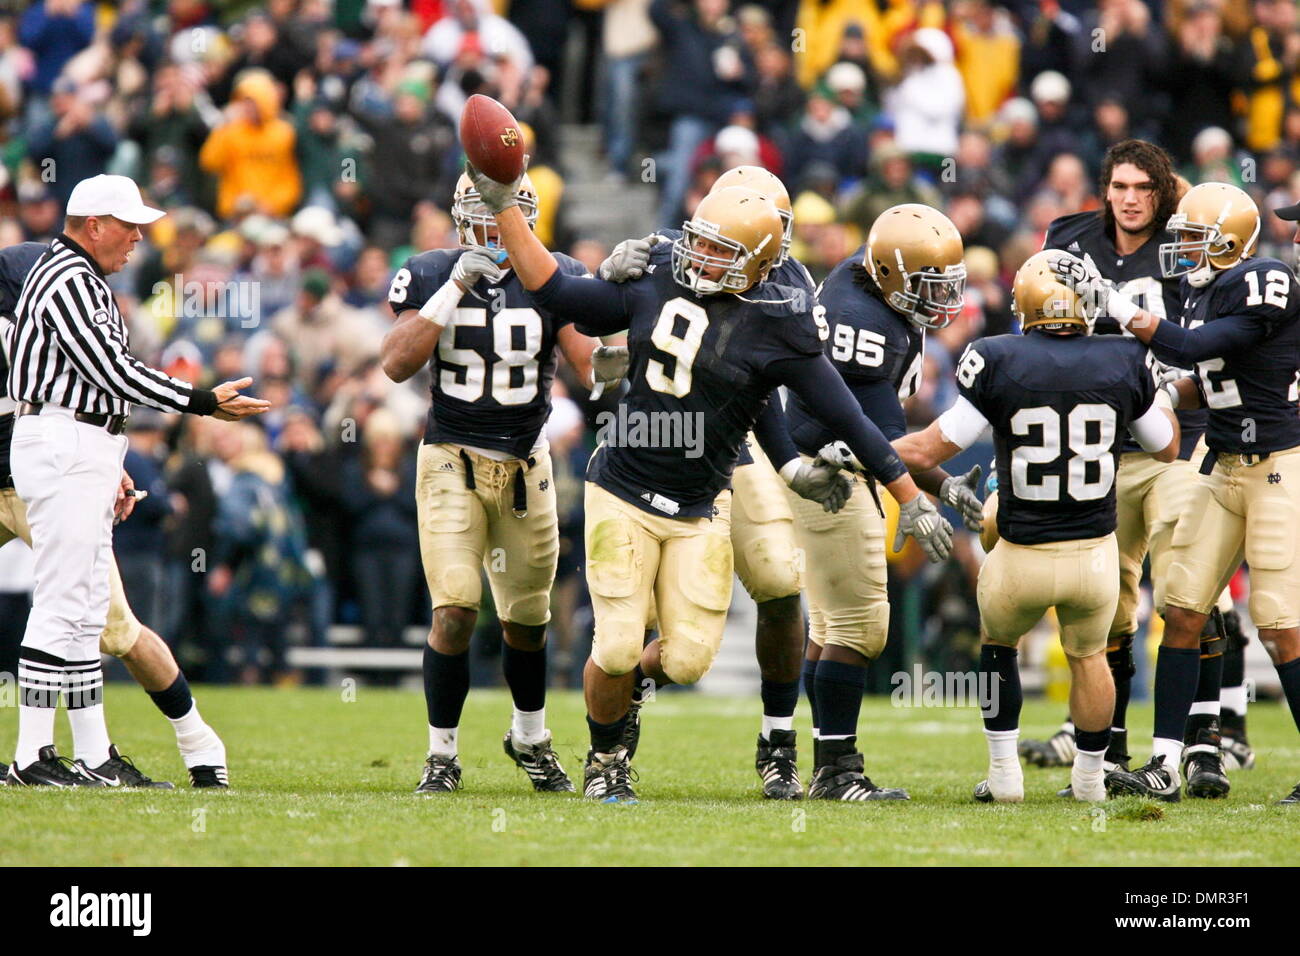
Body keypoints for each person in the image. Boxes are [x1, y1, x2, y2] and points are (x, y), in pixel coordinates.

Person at [468, 161, 954, 803]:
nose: (699, 255)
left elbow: (839, 413)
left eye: (721, 248)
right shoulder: (662, 267)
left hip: (707, 486)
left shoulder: (783, 308)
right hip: (626, 479)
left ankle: (765, 742)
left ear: (765, 251)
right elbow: (560, 293)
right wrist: (512, 209)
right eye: (699, 237)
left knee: (700, 648)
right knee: (615, 642)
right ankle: (605, 760)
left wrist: (903, 491)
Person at [596, 164, 858, 799]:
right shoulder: (679, 258)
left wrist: (793, 461)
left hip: (738, 449)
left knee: (776, 578)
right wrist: (609, 275)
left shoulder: (790, 283)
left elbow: (759, 383)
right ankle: (615, 718)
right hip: (664, 456)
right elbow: (613, 344)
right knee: (633, 626)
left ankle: (777, 741)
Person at [4, 175, 267, 788]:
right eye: (127, 225)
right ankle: (30, 757)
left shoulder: (72, 274)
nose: (138, 238)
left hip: (82, 440)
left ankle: (92, 756)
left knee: (85, 605)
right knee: (62, 602)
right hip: (65, 439)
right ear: (92, 224)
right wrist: (202, 400)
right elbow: (112, 370)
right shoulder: (68, 278)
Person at [892, 250, 1179, 803]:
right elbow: (1166, 446)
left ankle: (1005, 778)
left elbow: (931, 446)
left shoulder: (997, 357)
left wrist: (864, 452)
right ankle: (1091, 781)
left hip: (1021, 552)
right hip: (1095, 552)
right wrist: (1160, 391)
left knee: (998, 644)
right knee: (1089, 658)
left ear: (1024, 302)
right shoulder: (1123, 357)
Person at [1053, 182, 1300, 805]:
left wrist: (1116, 305)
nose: (1182, 250)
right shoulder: (1203, 292)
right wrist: (1165, 394)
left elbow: (1196, 348)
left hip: (1279, 465)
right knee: (1183, 607)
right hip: (1221, 463)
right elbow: (1206, 376)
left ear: (1232, 245)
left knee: (1279, 624)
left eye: (1196, 239)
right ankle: (1165, 761)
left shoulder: (1264, 278)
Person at [1023, 140, 1248, 795]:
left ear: (1160, 192)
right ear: (1105, 187)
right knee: (1106, 604)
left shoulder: (1188, 241)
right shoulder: (1067, 238)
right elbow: (1036, 312)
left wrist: (1162, 389)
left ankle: (1202, 742)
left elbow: (1210, 344)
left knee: (1186, 586)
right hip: (1098, 442)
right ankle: (1108, 749)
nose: (1128, 198)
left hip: (1180, 435)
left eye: (1142, 188)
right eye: (1119, 185)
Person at [381, 170, 608, 795]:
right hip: (450, 454)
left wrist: (619, 309)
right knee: (454, 608)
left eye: (505, 208)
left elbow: (591, 371)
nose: (492, 219)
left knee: (527, 620)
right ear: (459, 215)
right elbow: (397, 362)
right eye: (481, 207)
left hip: (526, 462)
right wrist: (455, 285)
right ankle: (441, 755)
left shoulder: (552, 272)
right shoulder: (429, 269)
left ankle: (529, 736)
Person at [786, 205, 985, 800]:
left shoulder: (868, 280)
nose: (942, 299)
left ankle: (826, 763)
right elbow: (878, 440)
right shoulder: (863, 321)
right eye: (930, 285)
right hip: (829, 472)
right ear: (893, 274)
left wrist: (939, 481)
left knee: (828, 623)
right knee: (860, 624)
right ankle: (839, 772)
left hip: (830, 460)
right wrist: (931, 486)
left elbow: (881, 438)